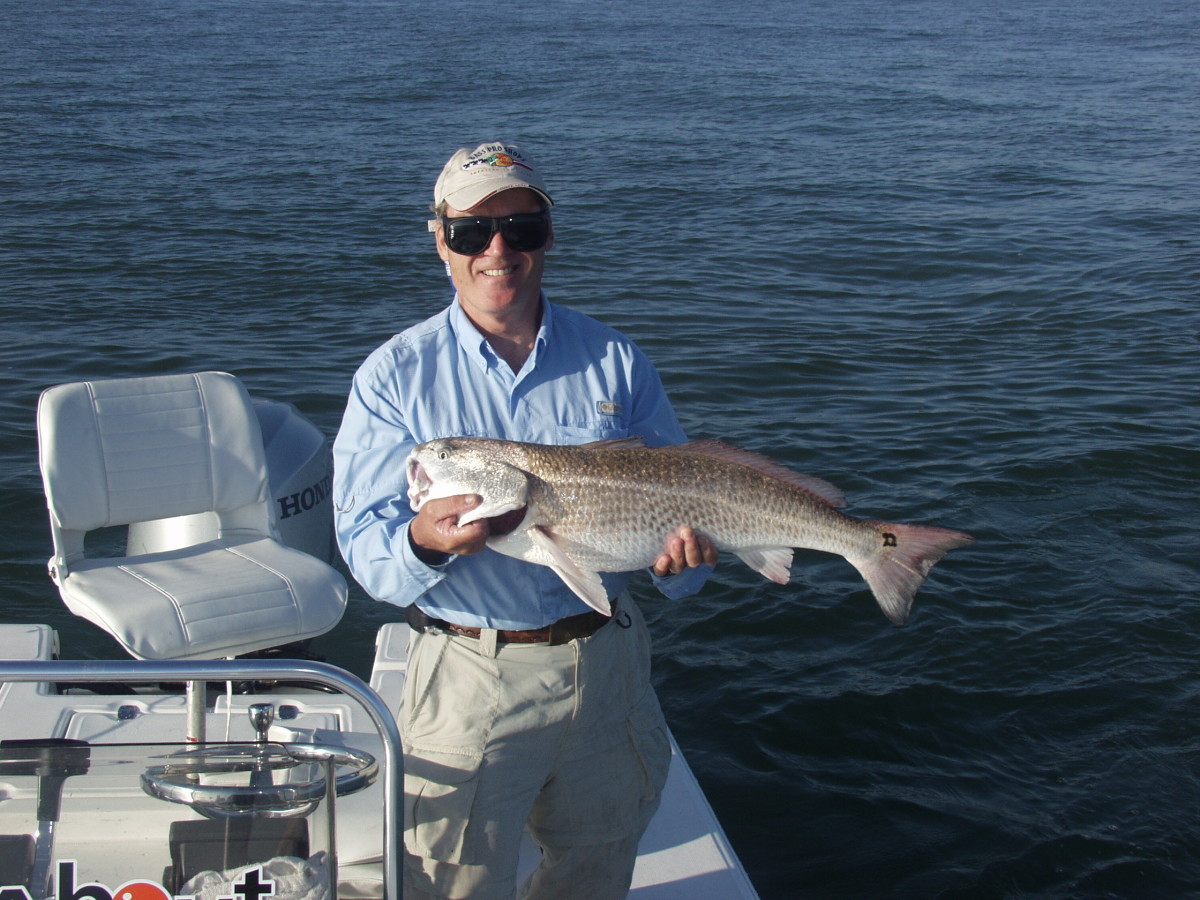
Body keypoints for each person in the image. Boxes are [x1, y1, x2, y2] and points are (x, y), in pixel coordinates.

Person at [332, 141, 717, 900]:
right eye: (472, 231)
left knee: (595, 870)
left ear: (549, 235)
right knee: (451, 882)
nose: (498, 250)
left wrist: (684, 567)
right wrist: (422, 542)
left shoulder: (616, 359)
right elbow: (367, 552)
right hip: (471, 673)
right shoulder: (393, 377)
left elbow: (687, 514)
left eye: (522, 227)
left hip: (608, 664)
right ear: (440, 240)